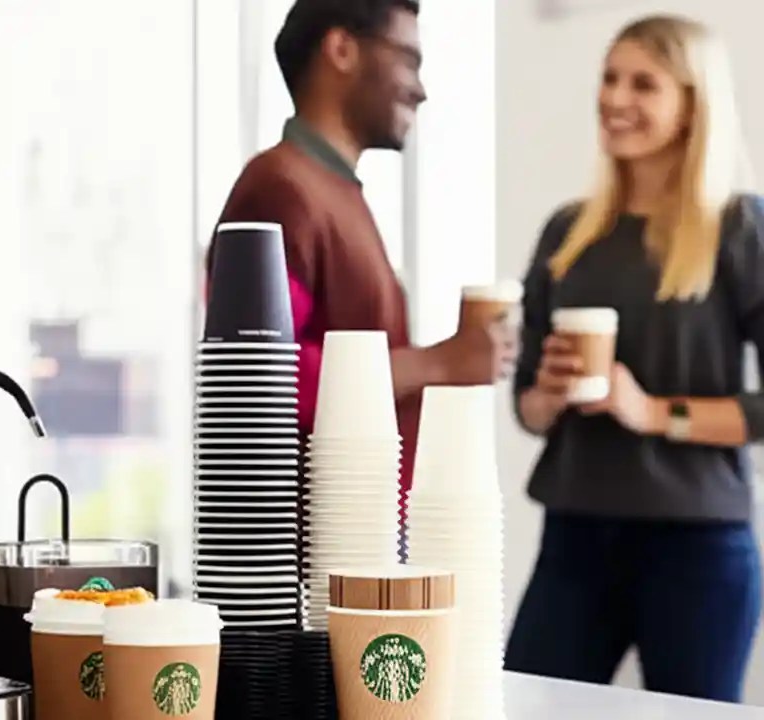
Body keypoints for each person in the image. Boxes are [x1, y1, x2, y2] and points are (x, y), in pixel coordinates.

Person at [505, 15, 763, 703]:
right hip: (575, 534)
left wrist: (648, 410)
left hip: (699, 547)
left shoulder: (739, 230)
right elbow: (527, 406)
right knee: (526, 703)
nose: (615, 98)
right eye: (609, 78)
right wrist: (551, 394)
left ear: (692, 106)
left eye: (643, 83)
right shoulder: (569, 232)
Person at [216, 0, 515, 489]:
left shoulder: (331, 191)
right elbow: (259, 381)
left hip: (355, 535)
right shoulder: (280, 189)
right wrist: (438, 362)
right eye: (408, 60)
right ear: (341, 49)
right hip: (307, 548)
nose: (420, 90)